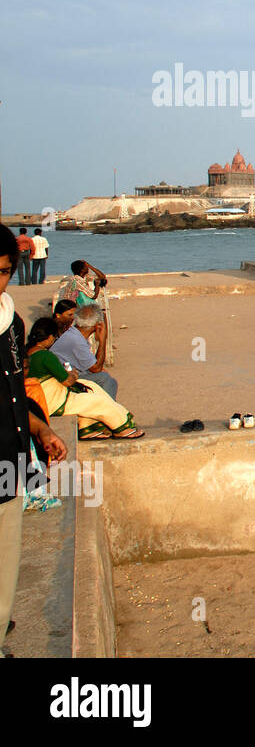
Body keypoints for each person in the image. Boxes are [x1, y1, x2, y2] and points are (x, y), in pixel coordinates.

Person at [1, 225, 67, 653]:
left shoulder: (12, 322)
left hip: (9, 462)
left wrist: (41, 429)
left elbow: (14, 390)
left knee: (6, 564)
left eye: (4, 271)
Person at [26, 317, 141, 440]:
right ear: (49, 337)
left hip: (45, 397)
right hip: (53, 402)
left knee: (90, 387)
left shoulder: (27, 352)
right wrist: (73, 374)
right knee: (97, 401)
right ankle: (122, 428)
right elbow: (68, 381)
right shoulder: (45, 356)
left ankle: (87, 428)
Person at [51, 305, 118, 398]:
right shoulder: (76, 340)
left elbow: (92, 365)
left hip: (69, 373)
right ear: (97, 325)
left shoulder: (74, 333)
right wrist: (103, 340)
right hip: (63, 378)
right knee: (104, 378)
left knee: (111, 381)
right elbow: (96, 368)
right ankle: (107, 409)